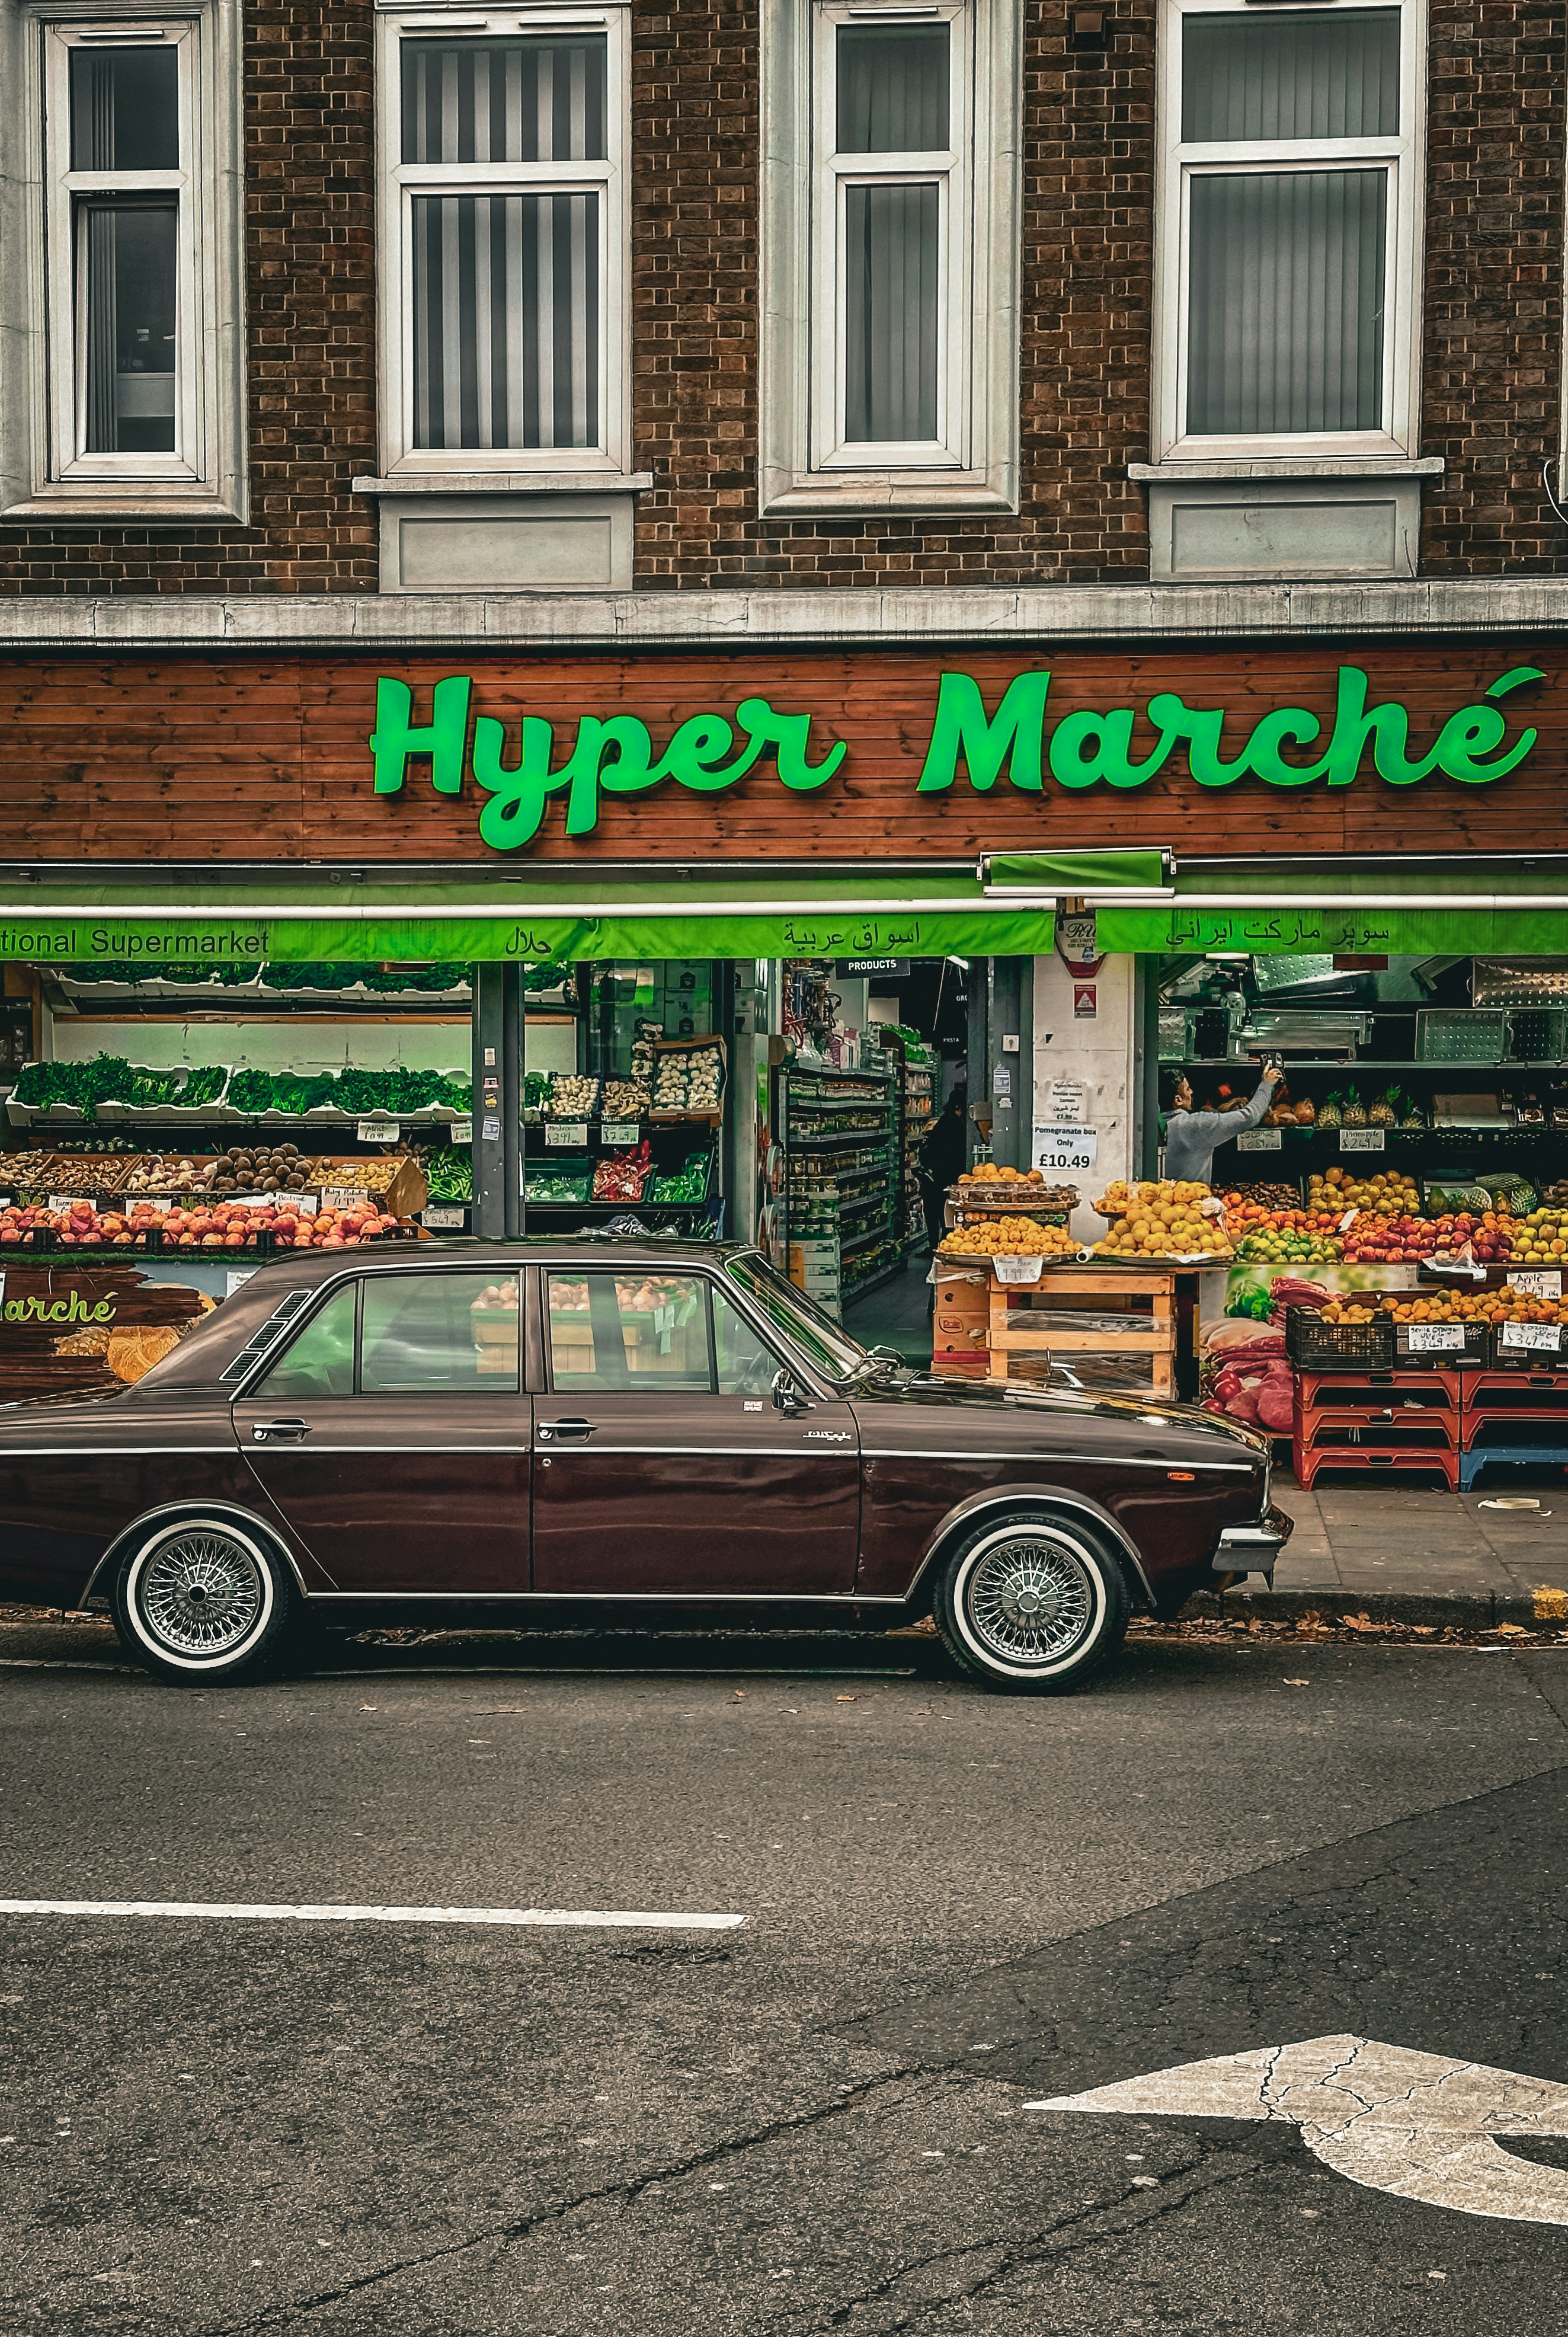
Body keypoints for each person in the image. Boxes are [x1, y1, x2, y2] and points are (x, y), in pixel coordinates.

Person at [1163, 1062, 1284, 1185]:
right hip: (1192, 1200)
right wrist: (1267, 1085)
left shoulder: (1152, 1126)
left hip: (1161, 1201)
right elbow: (1250, 1116)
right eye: (1188, 1089)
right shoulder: (1195, 1125)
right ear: (1178, 1100)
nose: (1192, 1092)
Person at [920, 1085, 969, 1257]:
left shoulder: (943, 1123)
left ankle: (935, 1245)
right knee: (945, 1215)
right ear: (958, 1108)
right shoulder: (956, 1126)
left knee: (934, 1214)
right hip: (943, 1179)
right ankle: (941, 1247)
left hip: (935, 1178)